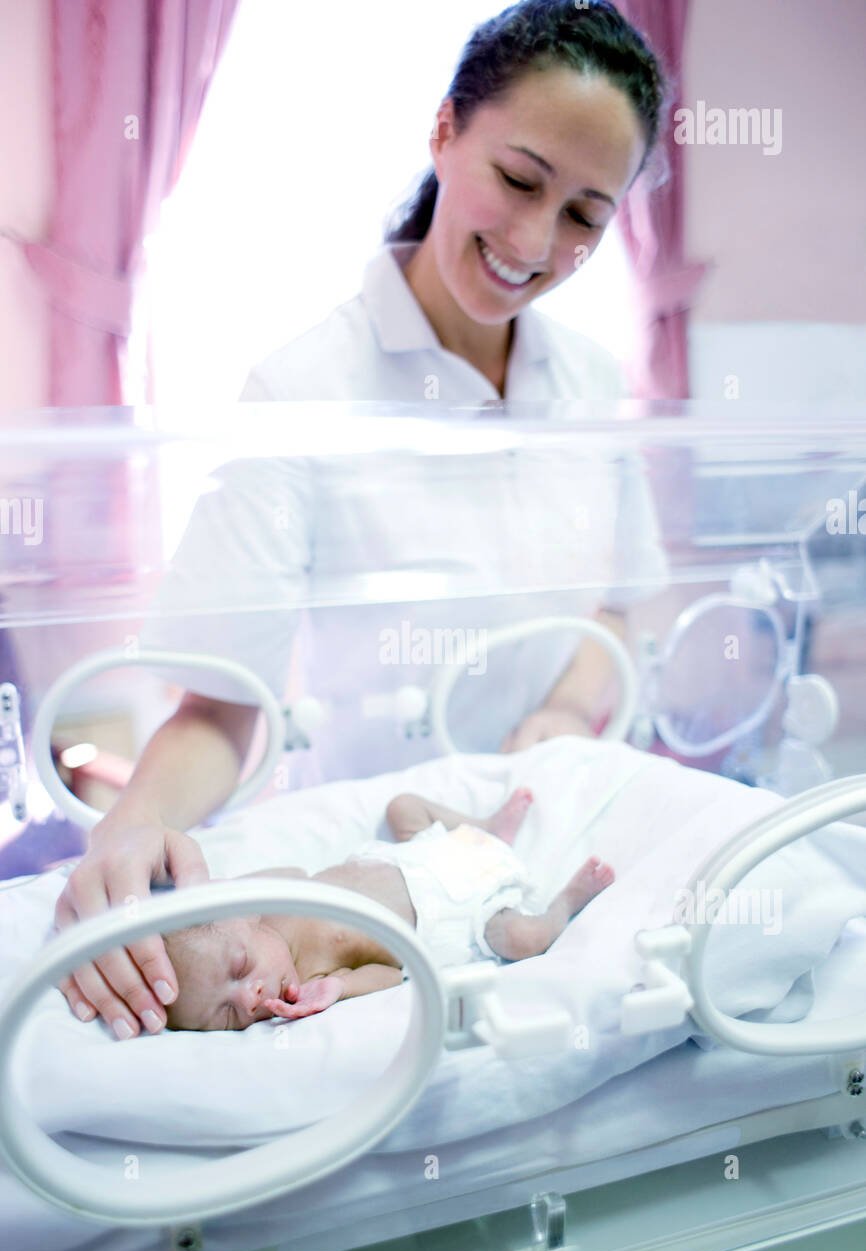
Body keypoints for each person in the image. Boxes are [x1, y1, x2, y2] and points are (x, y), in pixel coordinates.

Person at [54, 0, 669, 1041]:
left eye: (583, 215)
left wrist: (566, 713)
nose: (533, 240)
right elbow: (219, 708)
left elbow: (616, 608)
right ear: (442, 133)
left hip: (557, 826)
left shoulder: (594, 383)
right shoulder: (303, 388)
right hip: (381, 880)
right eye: (518, 180)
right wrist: (131, 830)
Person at [161, 787, 615, 1033]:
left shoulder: (272, 901)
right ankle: (564, 905)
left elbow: (289, 869)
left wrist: (226, 894)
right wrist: (338, 988)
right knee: (524, 940)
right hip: (463, 916)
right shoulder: (307, 982)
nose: (248, 997)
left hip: (420, 854)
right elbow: (388, 974)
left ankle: (487, 829)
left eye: (239, 967)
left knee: (404, 805)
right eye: (225, 1016)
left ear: (238, 915)